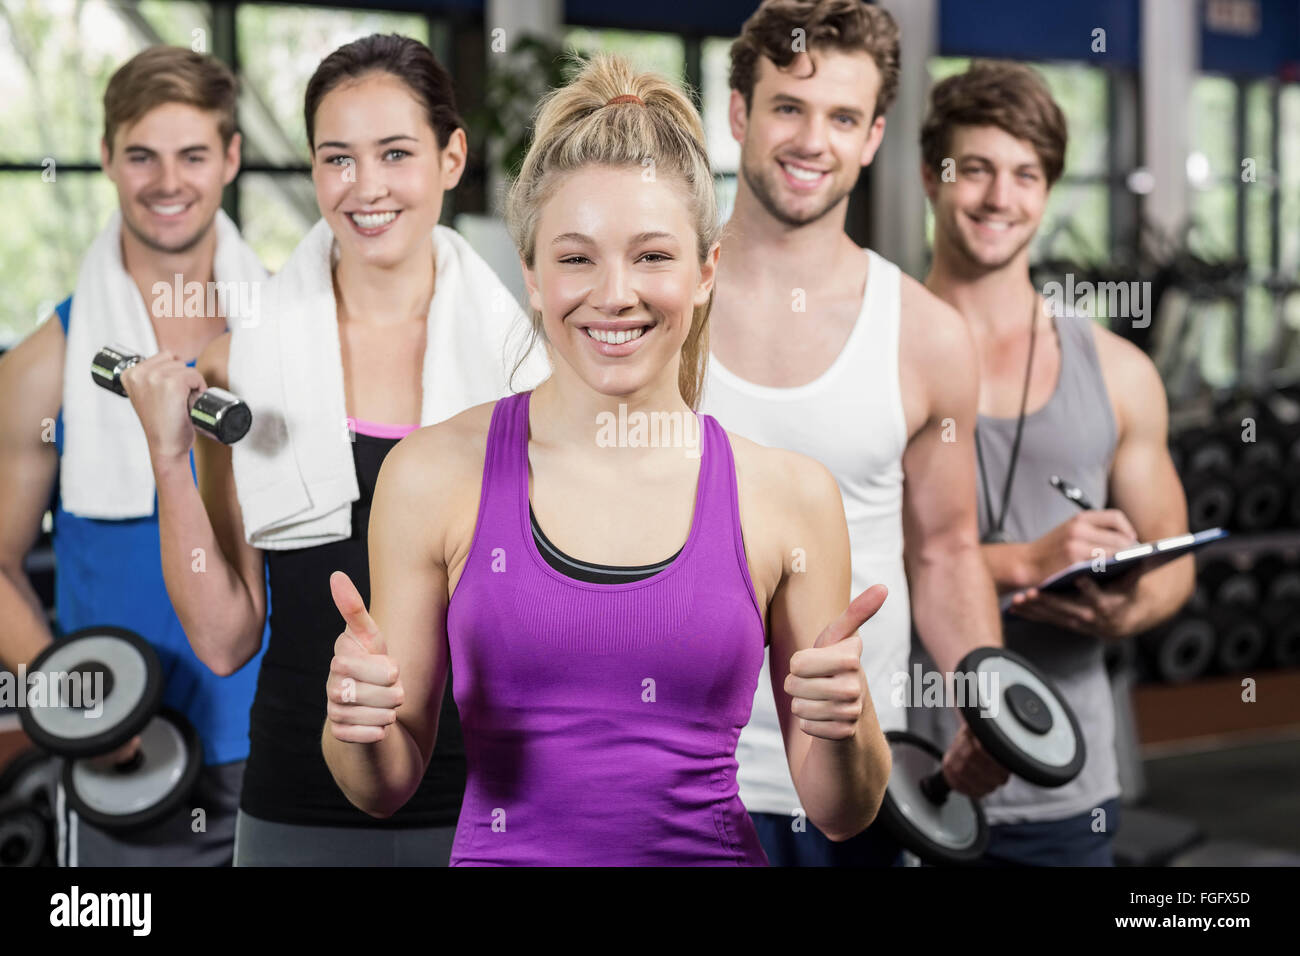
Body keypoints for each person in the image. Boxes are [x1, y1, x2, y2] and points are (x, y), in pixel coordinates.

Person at [320, 53, 892, 866]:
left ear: (706, 272)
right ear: (531, 274)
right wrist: (357, 720)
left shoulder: (789, 497)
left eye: (654, 256)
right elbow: (383, 784)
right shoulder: (429, 475)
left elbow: (842, 812)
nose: (615, 293)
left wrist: (845, 722)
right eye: (577, 257)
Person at [119, 34, 545, 866]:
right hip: (296, 800)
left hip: (494, 802)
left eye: (395, 152)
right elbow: (225, 636)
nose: (366, 186)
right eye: (337, 158)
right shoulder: (239, 364)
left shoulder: (528, 370)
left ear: (452, 156)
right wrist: (170, 456)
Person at [699, 0, 1007, 866]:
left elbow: (947, 549)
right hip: (672, 772)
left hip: (852, 779)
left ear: (873, 138)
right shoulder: (654, 302)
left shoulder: (926, 333)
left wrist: (981, 690)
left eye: (842, 117)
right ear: (739, 113)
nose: (812, 140)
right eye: (788, 107)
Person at [912, 60, 1196, 865]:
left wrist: (1125, 610)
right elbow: (821, 557)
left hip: (1064, 788)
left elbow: (1170, 553)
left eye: (1026, 174)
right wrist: (1023, 563)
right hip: (895, 774)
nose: (1001, 197)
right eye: (976, 169)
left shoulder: (1118, 372)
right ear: (932, 177)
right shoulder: (873, 354)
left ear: (1046, 190)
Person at [0, 46, 267, 866]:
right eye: (142, 155)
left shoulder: (291, 340)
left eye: (192, 154)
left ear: (229, 157)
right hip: (129, 754)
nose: (167, 181)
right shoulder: (48, 360)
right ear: (109, 158)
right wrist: (78, 704)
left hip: (289, 746)